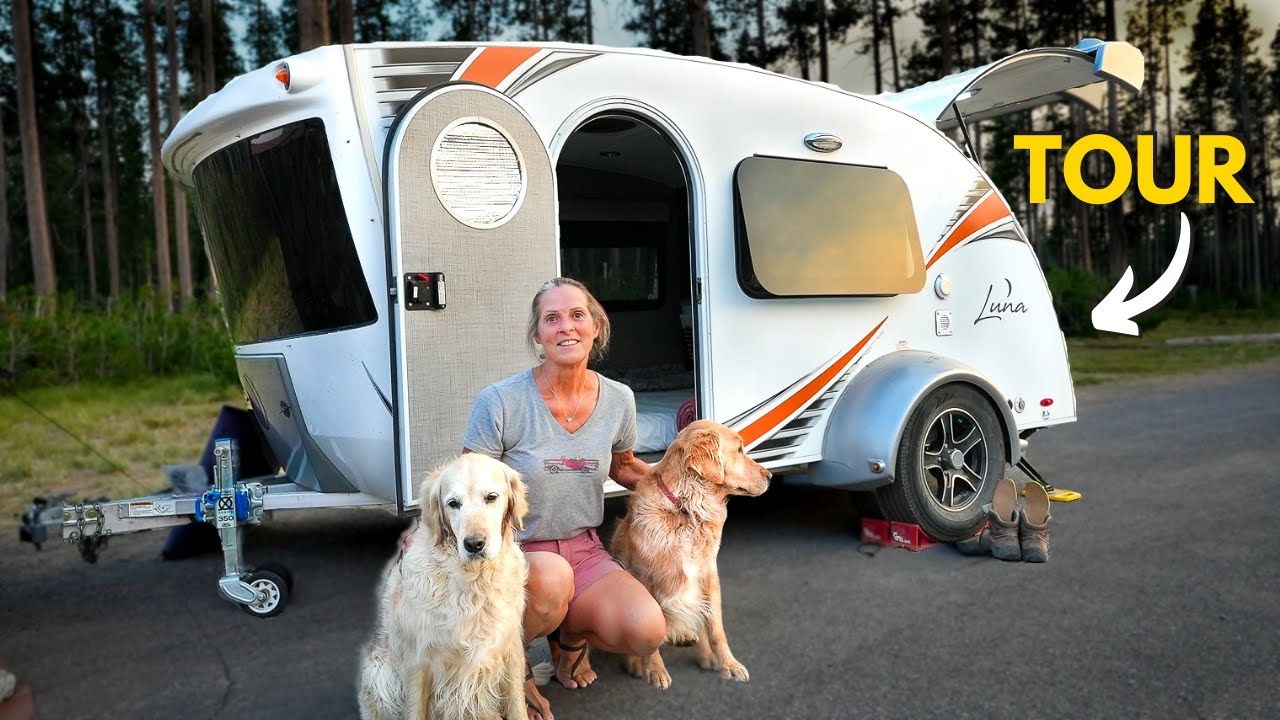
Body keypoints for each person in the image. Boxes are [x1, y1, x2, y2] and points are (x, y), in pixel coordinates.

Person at [404, 277, 666, 720]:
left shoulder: (619, 399)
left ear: (596, 327)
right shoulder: (502, 400)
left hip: (584, 546)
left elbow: (624, 466)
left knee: (645, 630)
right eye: (552, 318)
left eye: (577, 315)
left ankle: (569, 643)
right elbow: (468, 484)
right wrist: (422, 534)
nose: (567, 326)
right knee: (550, 578)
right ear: (537, 335)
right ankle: (513, 667)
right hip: (517, 549)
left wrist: (680, 489)